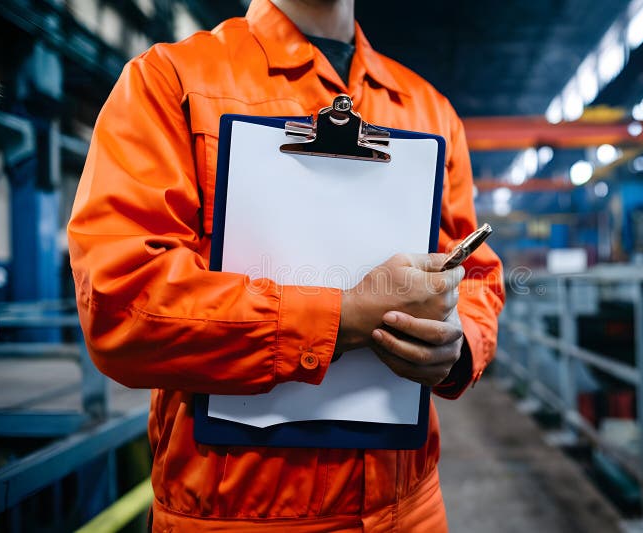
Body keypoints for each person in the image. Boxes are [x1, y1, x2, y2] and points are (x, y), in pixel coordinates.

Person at [67, 0, 504, 530]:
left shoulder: (429, 109)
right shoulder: (170, 83)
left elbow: (478, 273)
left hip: (408, 511)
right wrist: (341, 317)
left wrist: (458, 345)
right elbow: (121, 303)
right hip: (238, 516)